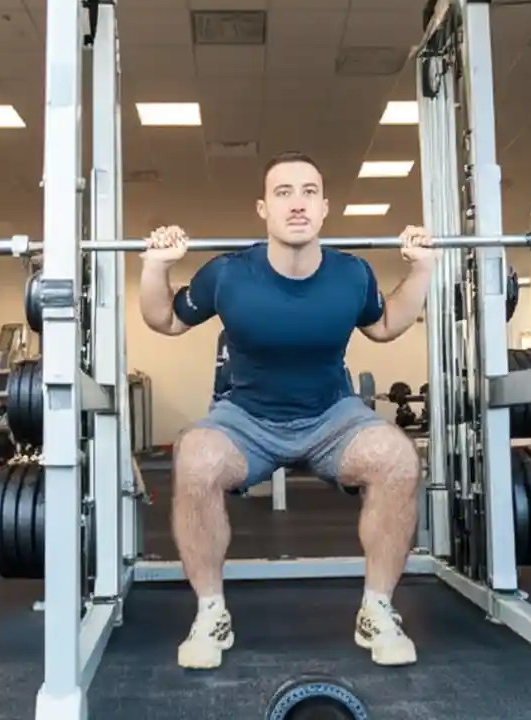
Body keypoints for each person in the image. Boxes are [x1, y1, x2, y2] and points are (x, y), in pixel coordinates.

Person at [138, 150, 437, 671]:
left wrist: (425, 268)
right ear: (263, 209)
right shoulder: (228, 274)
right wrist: (155, 266)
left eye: (308, 192)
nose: (297, 204)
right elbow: (164, 320)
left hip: (330, 418)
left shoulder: (352, 274)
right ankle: (211, 612)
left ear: (324, 208)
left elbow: (386, 324)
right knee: (195, 457)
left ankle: (378, 608)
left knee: (397, 457)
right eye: (283, 193)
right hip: (246, 418)